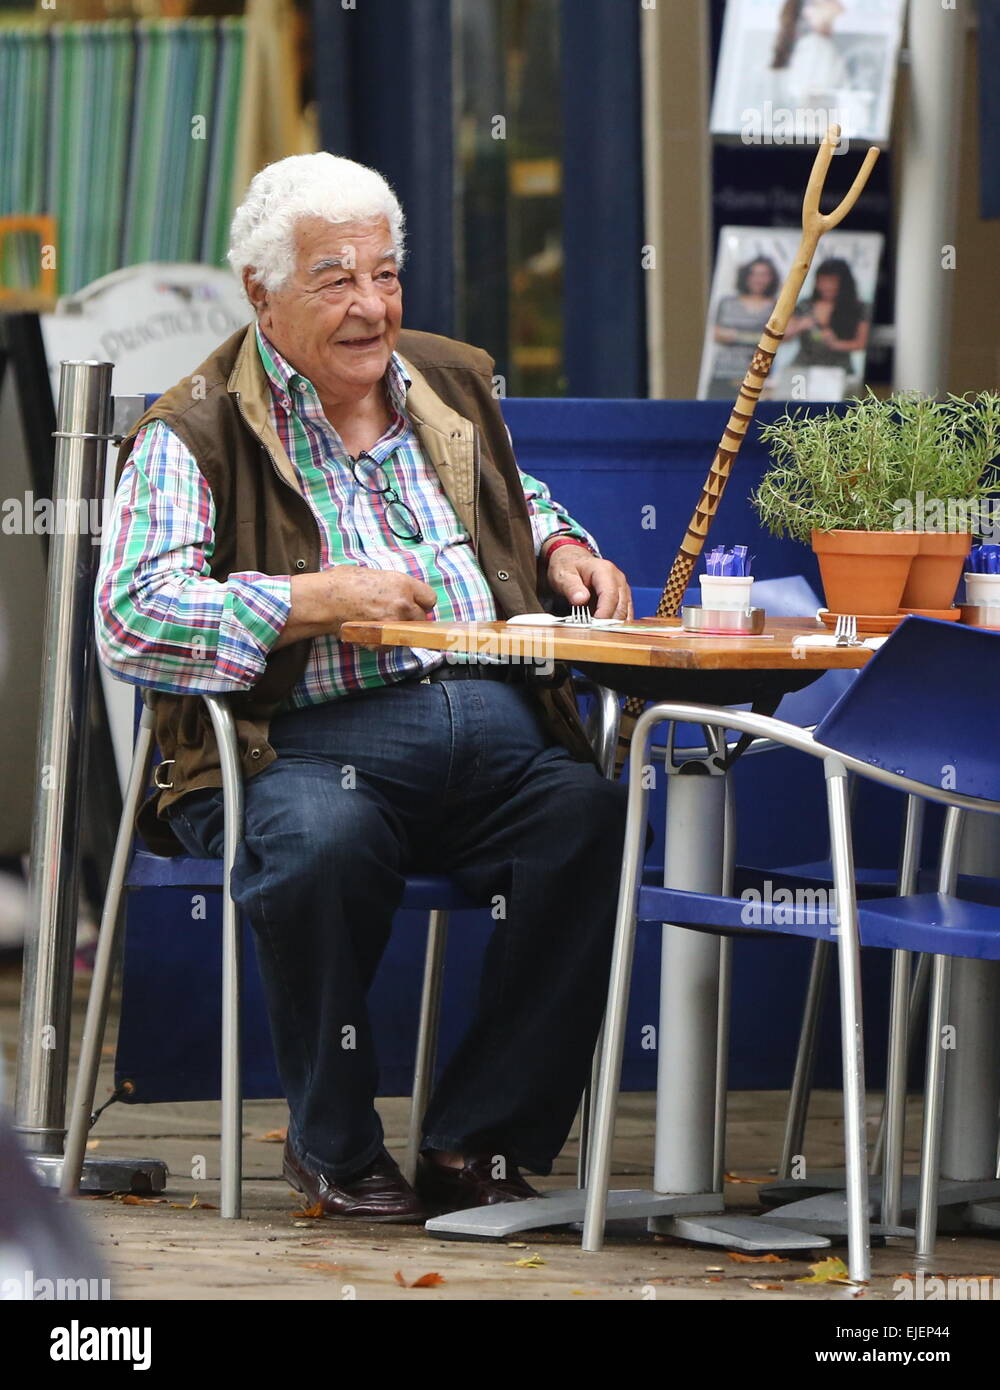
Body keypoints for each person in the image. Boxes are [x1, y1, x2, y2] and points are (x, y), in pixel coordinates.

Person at [95, 152, 633, 1224]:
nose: (370, 306)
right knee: (323, 841)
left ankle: (476, 1141)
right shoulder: (192, 425)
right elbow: (133, 614)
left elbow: (511, 501)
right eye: (335, 279)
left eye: (384, 276)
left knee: (591, 814)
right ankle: (334, 1144)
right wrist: (309, 597)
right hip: (296, 743)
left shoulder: (447, 381)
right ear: (261, 293)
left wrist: (563, 550)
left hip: (491, 729)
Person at [705, 256, 780, 400]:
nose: (758, 279)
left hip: (759, 374)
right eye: (754, 274)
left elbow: (782, 335)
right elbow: (717, 333)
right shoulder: (727, 302)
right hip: (724, 372)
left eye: (764, 275)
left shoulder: (777, 306)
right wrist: (759, 336)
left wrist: (736, 335)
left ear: (772, 278)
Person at [785, 256, 869, 380]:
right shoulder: (804, 305)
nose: (827, 287)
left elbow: (861, 343)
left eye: (832, 282)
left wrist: (836, 343)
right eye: (822, 281)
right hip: (803, 368)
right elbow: (784, 337)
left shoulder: (858, 308)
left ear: (844, 283)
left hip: (838, 369)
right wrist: (799, 326)